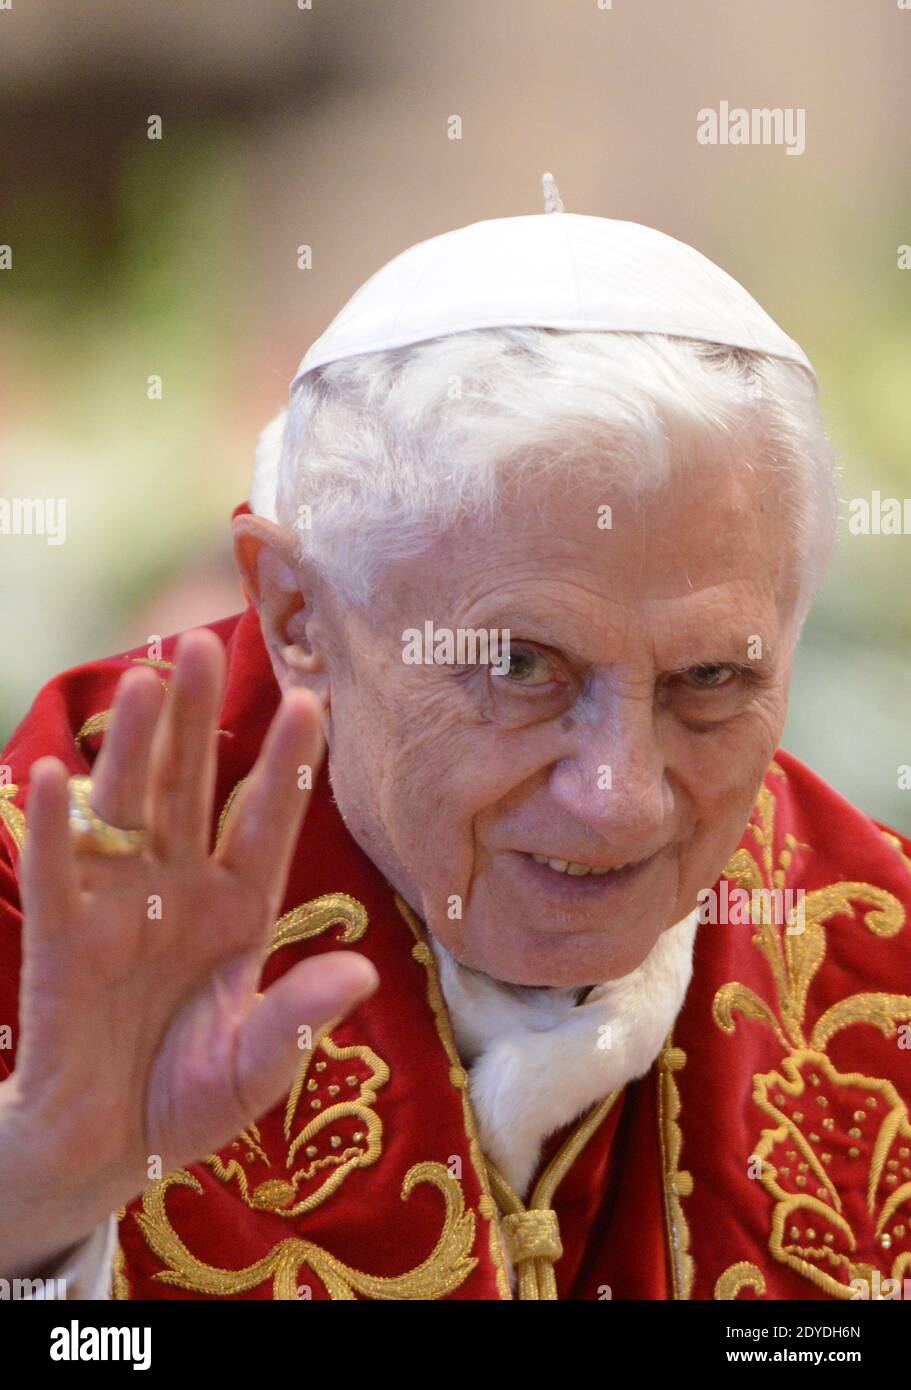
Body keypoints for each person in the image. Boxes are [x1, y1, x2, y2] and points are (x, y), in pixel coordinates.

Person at [1, 177, 910, 1301]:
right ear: (296, 614)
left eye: (710, 678)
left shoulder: (880, 941)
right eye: (521, 668)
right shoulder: (37, 909)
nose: (619, 797)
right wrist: (36, 1212)